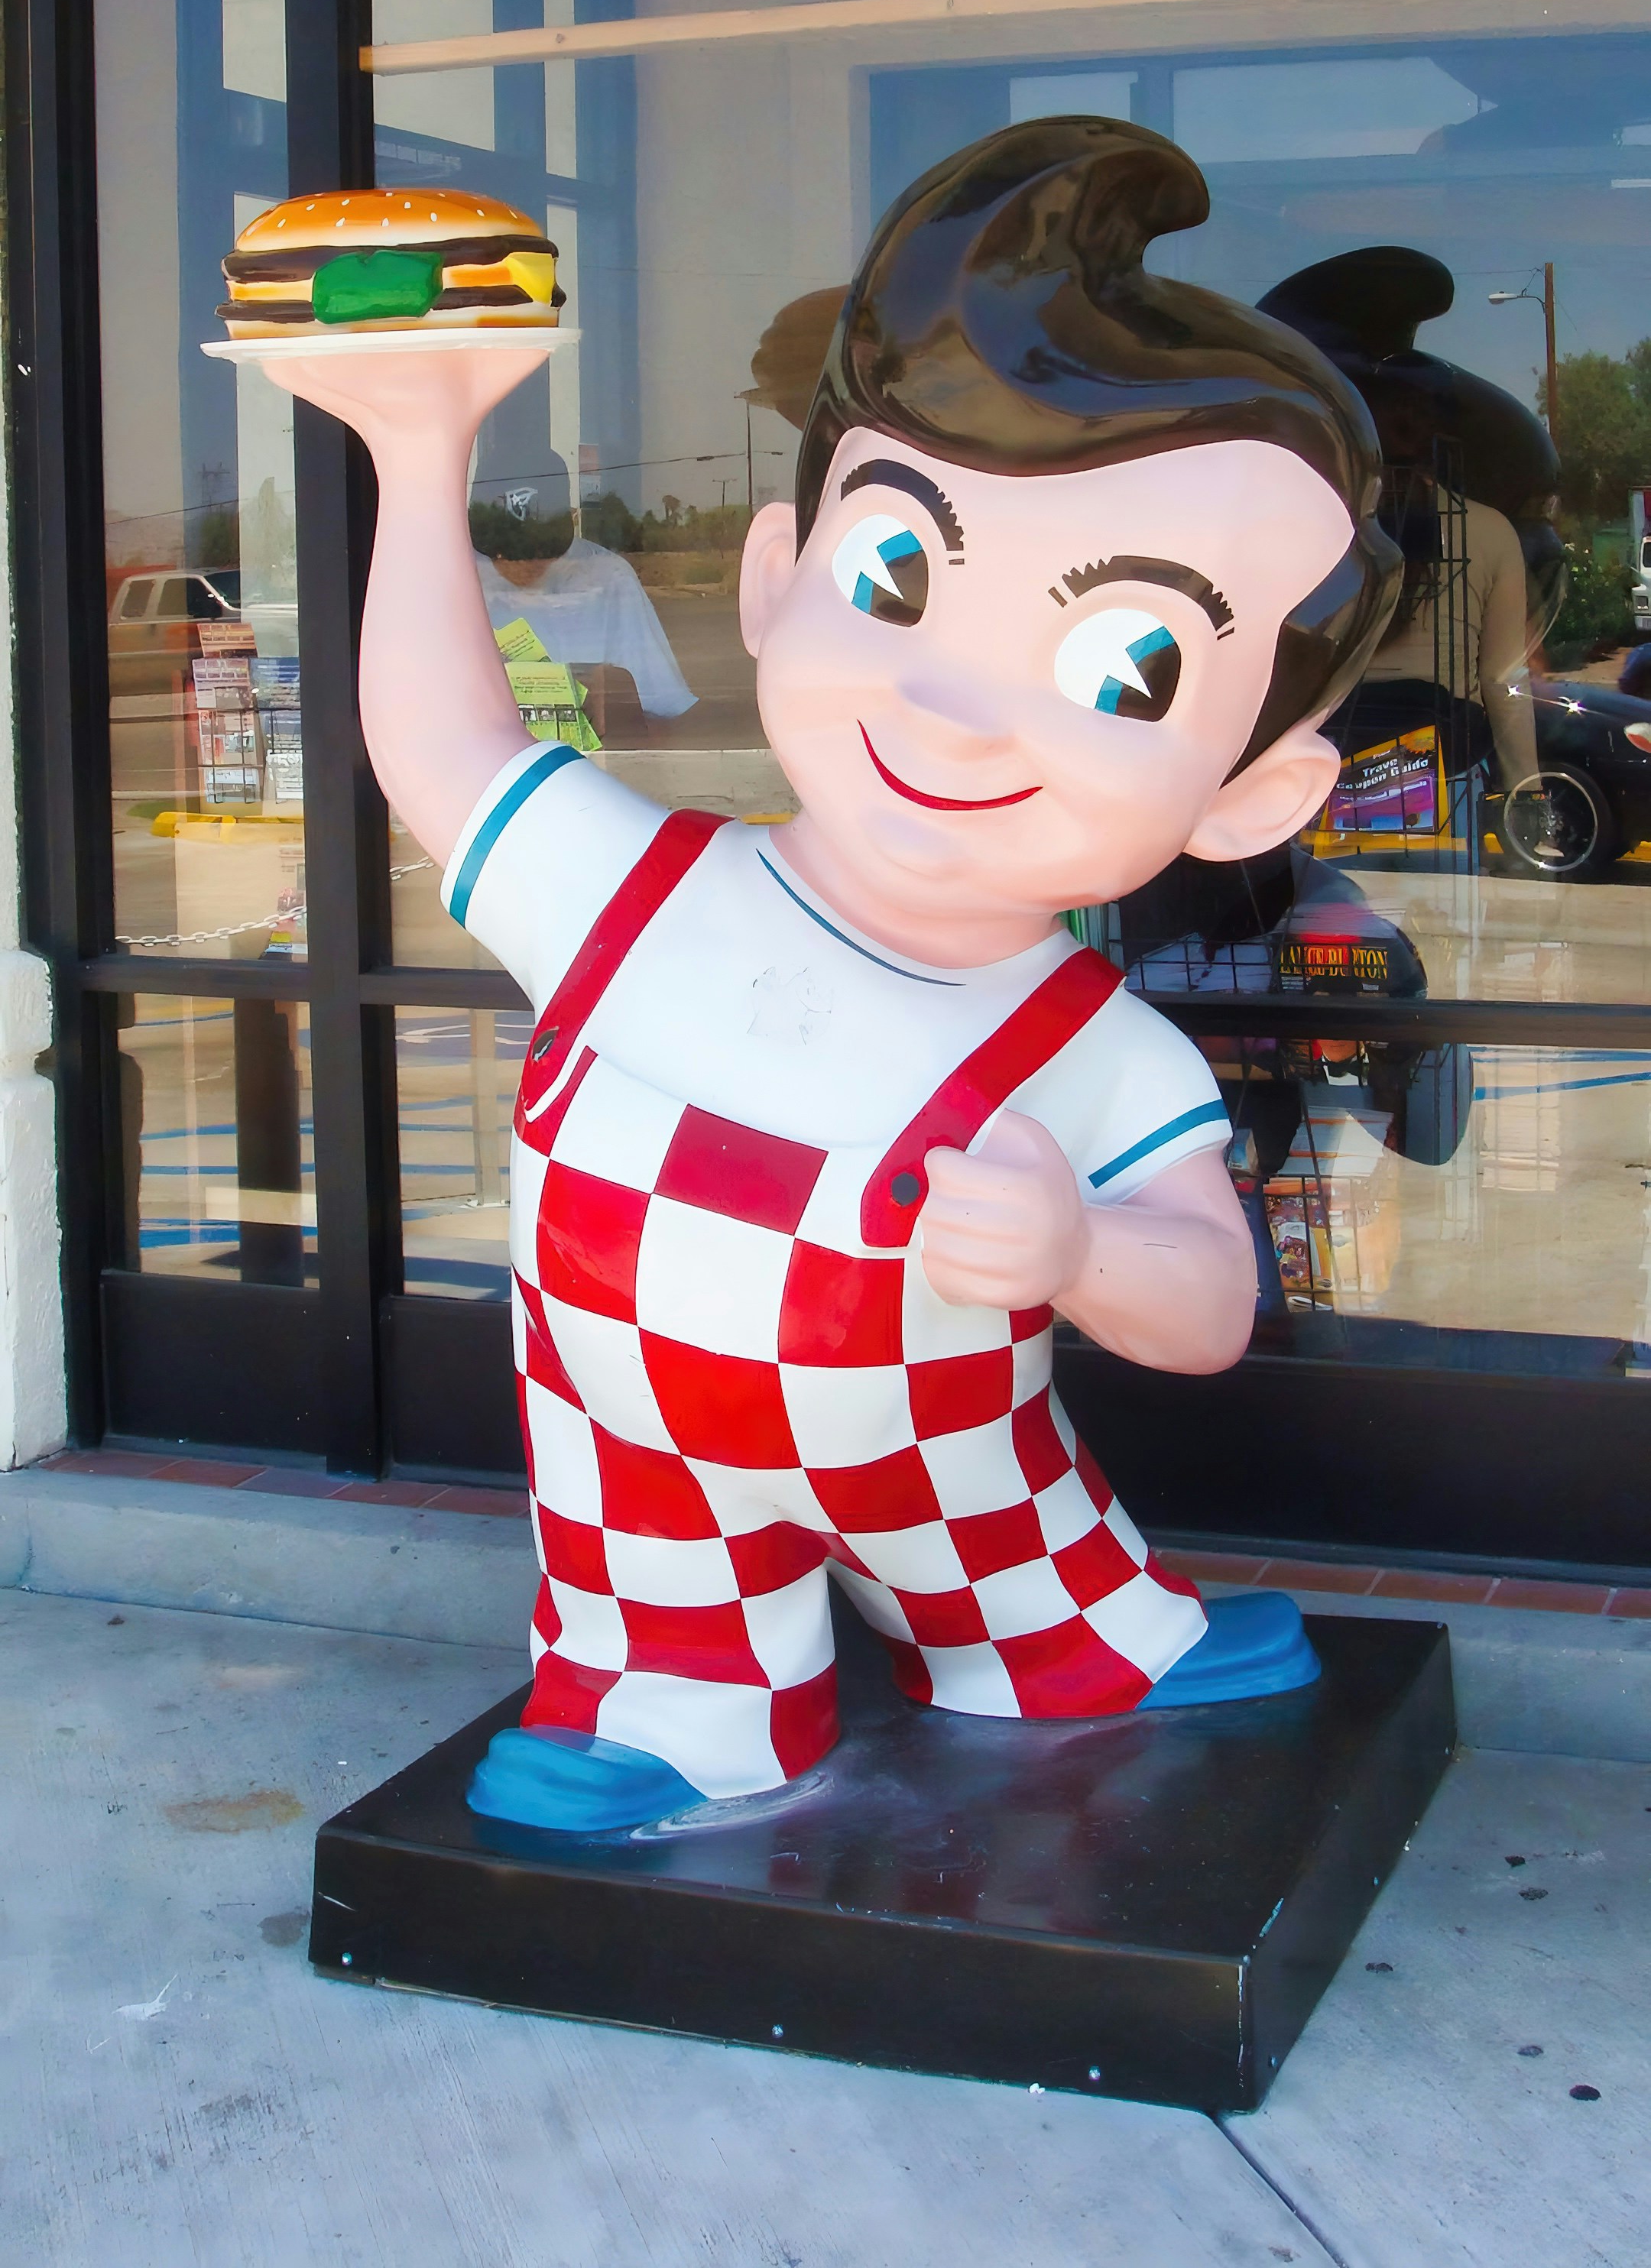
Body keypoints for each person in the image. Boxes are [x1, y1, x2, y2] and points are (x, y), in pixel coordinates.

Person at [260, 118, 1399, 1832]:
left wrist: (1085, 1248)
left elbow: (1208, 1303)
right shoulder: (643, 889)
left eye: (1129, 665)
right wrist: (419, 468)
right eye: (896, 576)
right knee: (665, 1617)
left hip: (964, 1476)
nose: (948, 707)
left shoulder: (1083, 1044)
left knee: (1031, 1577)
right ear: (780, 581)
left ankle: (1065, 1639)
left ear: (1256, 794)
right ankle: (683, 1702)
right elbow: (439, 738)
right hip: (651, 1469)